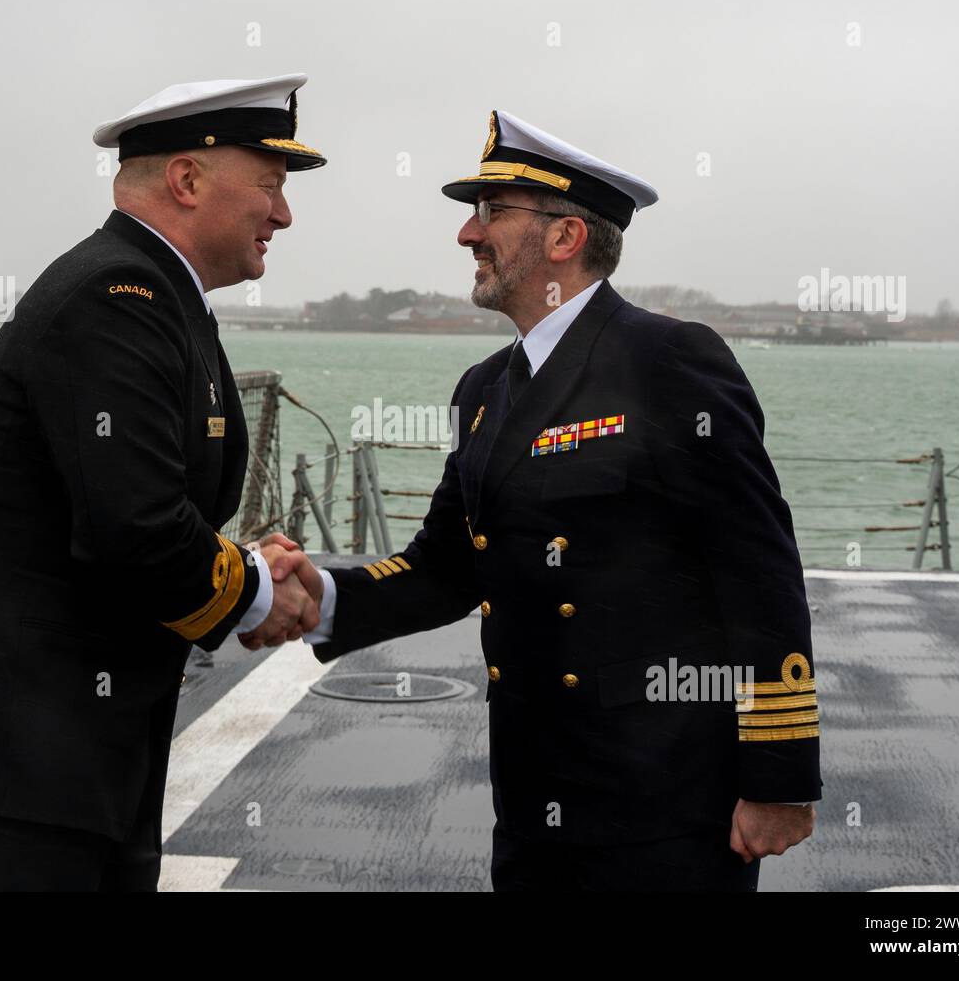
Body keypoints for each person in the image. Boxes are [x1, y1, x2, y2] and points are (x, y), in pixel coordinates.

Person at [273, 110, 821, 891]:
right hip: (535, 800)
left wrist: (780, 776)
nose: (469, 234)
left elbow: (759, 572)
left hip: (664, 806)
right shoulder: (485, 388)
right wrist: (313, 596)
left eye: (491, 213)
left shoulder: (669, 360)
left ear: (564, 239)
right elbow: (445, 569)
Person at [0, 73, 327, 891]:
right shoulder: (113, 296)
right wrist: (260, 589)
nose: (285, 214)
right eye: (270, 187)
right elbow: (136, 529)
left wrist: (242, 563)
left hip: (79, 742)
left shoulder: (155, 295)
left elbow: (147, 503)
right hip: (17, 751)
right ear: (188, 181)